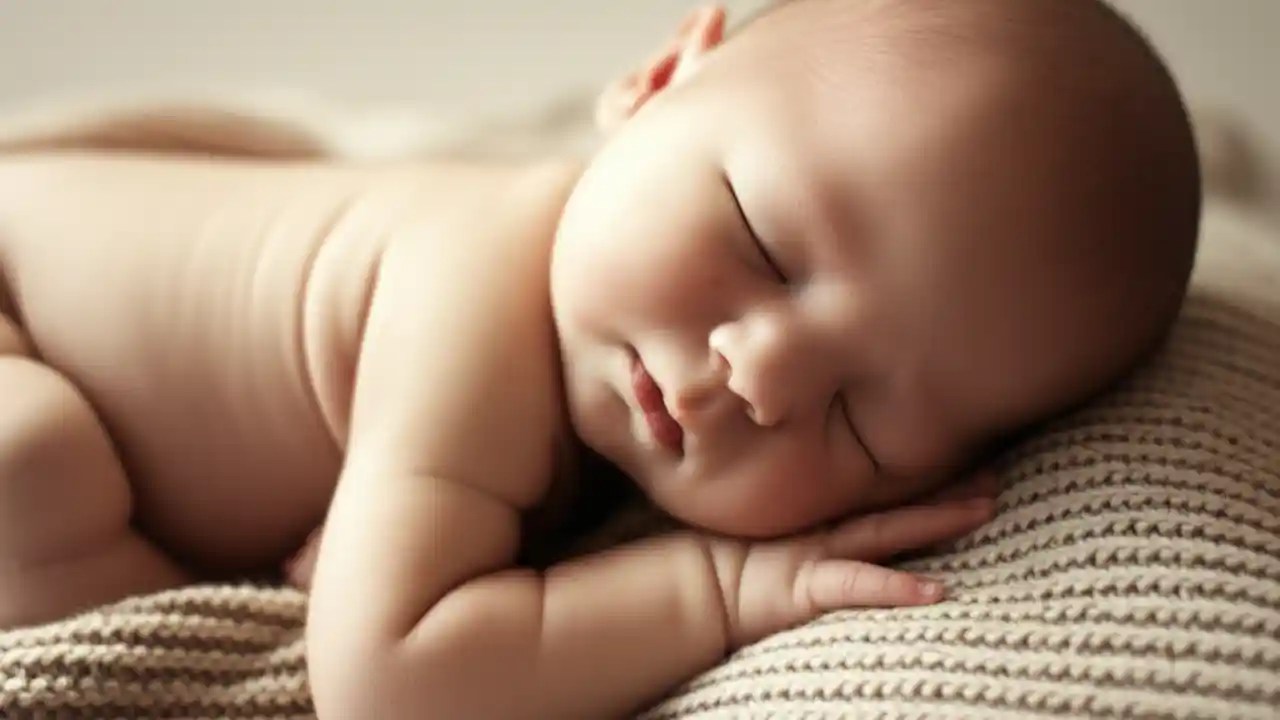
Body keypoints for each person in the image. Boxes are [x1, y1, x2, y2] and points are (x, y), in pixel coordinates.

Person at [0, 0, 1199, 717]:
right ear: (657, 80)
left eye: (861, 422)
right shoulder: (467, 291)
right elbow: (388, 681)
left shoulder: (598, 359)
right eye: (763, 243)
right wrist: (715, 595)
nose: (759, 375)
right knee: (27, 460)